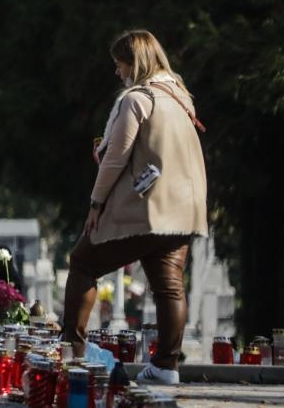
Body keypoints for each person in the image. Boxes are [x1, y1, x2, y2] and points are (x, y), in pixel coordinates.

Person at [62, 30, 207, 386]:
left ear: (135, 62)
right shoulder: (180, 98)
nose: (117, 72)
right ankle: (167, 365)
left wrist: (96, 203)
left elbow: (115, 159)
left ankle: (72, 352)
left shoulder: (138, 100)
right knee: (170, 285)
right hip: (185, 211)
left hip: (145, 210)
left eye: (119, 64)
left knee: (83, 262)